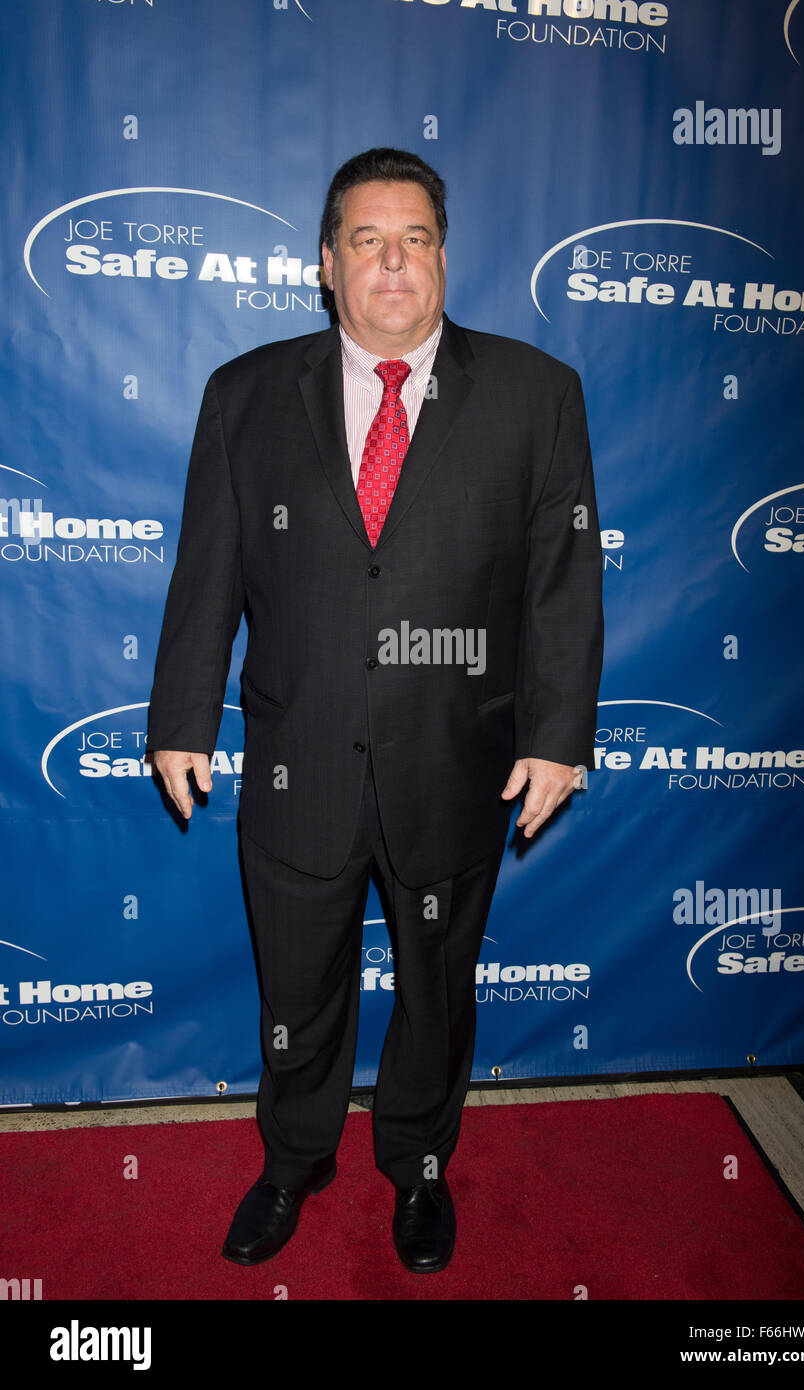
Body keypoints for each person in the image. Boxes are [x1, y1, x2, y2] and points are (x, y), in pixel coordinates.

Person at [145, 147, 603, 1274]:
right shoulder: (245, 394)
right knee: (296, 988)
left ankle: (421, 1165)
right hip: (298, 760)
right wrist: (180, 717)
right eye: (366, 240)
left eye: (414, 239)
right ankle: (293, 1158)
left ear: (444, 257)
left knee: (437, 995)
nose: (391, 263)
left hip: (458, 765)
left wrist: (556, 736)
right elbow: (207, 573)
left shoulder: (538, 394)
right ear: (325, 263)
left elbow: (563, 581)